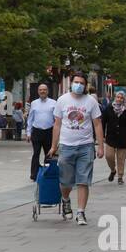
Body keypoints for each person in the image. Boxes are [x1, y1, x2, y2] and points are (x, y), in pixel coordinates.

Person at [49, 71, 104, 225]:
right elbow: (57, 124)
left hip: (86, 146)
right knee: (66, 182)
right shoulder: (62, 100)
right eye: (76, 82)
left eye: (82, 83)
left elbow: (97, 124)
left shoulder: (91, 102)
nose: (78, 85)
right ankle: (66, 199)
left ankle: (81, 212)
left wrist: (100, 146)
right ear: (71, 83)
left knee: (83, 180)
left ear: (85, 86)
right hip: (66, 146)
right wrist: (54, 146)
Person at [25, 83, 57, 180]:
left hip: (49, 132)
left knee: (49, 154)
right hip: (37, 132)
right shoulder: (34, 103)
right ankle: (34, 175)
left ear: (47, 91)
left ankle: (47, 173)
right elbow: (30, 119)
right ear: (38, 91)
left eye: (44, 90)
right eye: (40, 90)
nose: (42, 91)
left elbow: (57, 120)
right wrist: (28, 133)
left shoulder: (53, 103)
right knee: (36, 153)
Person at [102, 91, 126, 185]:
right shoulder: (109, 108)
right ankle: (113, 170)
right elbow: (103, 122)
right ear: (115, 98)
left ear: (124, 99)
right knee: (109, 156)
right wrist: (102, 134)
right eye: (118, 97)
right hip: (111, 137)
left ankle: (120, 176)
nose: (119, 99)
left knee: (121, 159)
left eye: (121, 98)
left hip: (123, 137)